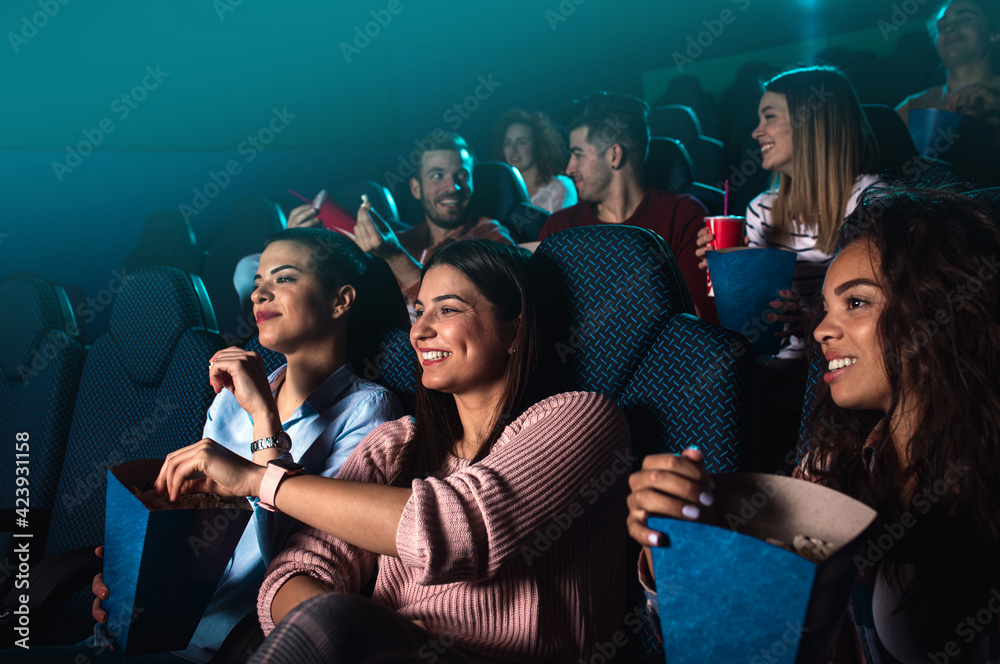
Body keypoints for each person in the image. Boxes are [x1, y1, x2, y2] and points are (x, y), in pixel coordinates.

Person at [153, 240, 631, 663]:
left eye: (447, 309)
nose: (420, 331)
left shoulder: (580, 418)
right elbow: (292, 571)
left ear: (514, 329)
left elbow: (457, 530)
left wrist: (259, 479)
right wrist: (370, 631)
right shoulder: (395, 444)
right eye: (418, 311)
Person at [629, 186, 1000, 662]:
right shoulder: (832, 466)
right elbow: (749, 640)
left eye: (857, 303)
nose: (822, 329)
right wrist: (684, 548)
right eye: (825, 307)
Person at [12, 228, 404, 663]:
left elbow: (305, 560)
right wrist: (131, 581)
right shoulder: (228, 401)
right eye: (257, 284)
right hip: (154, 630)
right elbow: (193, 529)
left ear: (340, 300)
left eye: (284, 279)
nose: (260, 294)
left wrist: (263, 417)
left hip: (235, 644)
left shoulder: (369, 410)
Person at [697, 65, 879, 365]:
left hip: (848, 359)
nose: (756, 132)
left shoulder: (870, 200)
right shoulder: (762, 208)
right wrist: (730, 273)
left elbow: (883, 309)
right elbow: (752, 324)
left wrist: (808, 321)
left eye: (769, 116)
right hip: (778, 363)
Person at [287, 133, 515, 318]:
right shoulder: (401, 238)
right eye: (437, 175)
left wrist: (394, 256)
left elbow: (480, 310)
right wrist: (298, 246)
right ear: (416, 189)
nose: (453, 187)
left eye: (463, 175)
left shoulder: (490, 237)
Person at [536, 91, 713, 320]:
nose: (569, 168)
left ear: (614, 155)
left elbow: (700, 317)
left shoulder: (683, 215)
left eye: (578, 155)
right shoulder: (560, 226)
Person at [895, 0, 1000, 127]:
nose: (949, 28)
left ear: (994, 33)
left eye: (965, 19)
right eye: (942, 26)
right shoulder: (912, 107)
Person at [492, 108, 578, 213]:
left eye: (521, 142)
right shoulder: (499, 193)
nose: (513, 149)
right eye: (507, 143)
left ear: (538, 145)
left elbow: (562, 227)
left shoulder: (560, 186)